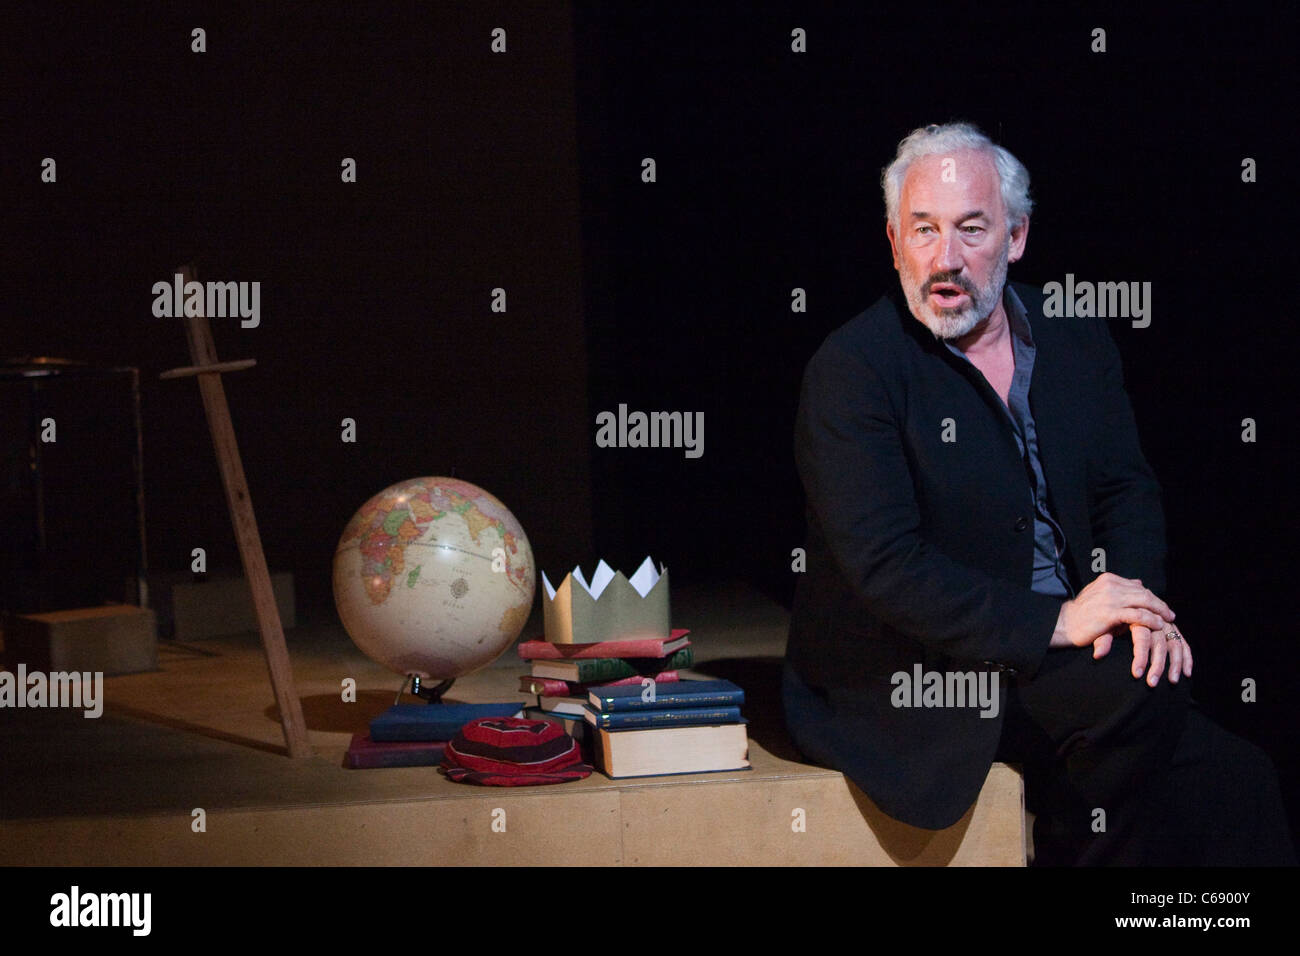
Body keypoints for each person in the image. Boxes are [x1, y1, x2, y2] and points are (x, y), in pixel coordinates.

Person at [783, 121, 1293, 865]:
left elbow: (1127, 490)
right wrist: (1061, 620)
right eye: (922, 231)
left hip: (1070, 651)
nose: (944, 259)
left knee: (1242, 781)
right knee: (1138, 698)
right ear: (894, 242)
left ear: (1016, 236)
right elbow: (887, 567)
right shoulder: (854, 371)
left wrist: (1137, 605)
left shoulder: (1074, 335)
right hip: (928, 674)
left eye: (972, 229)